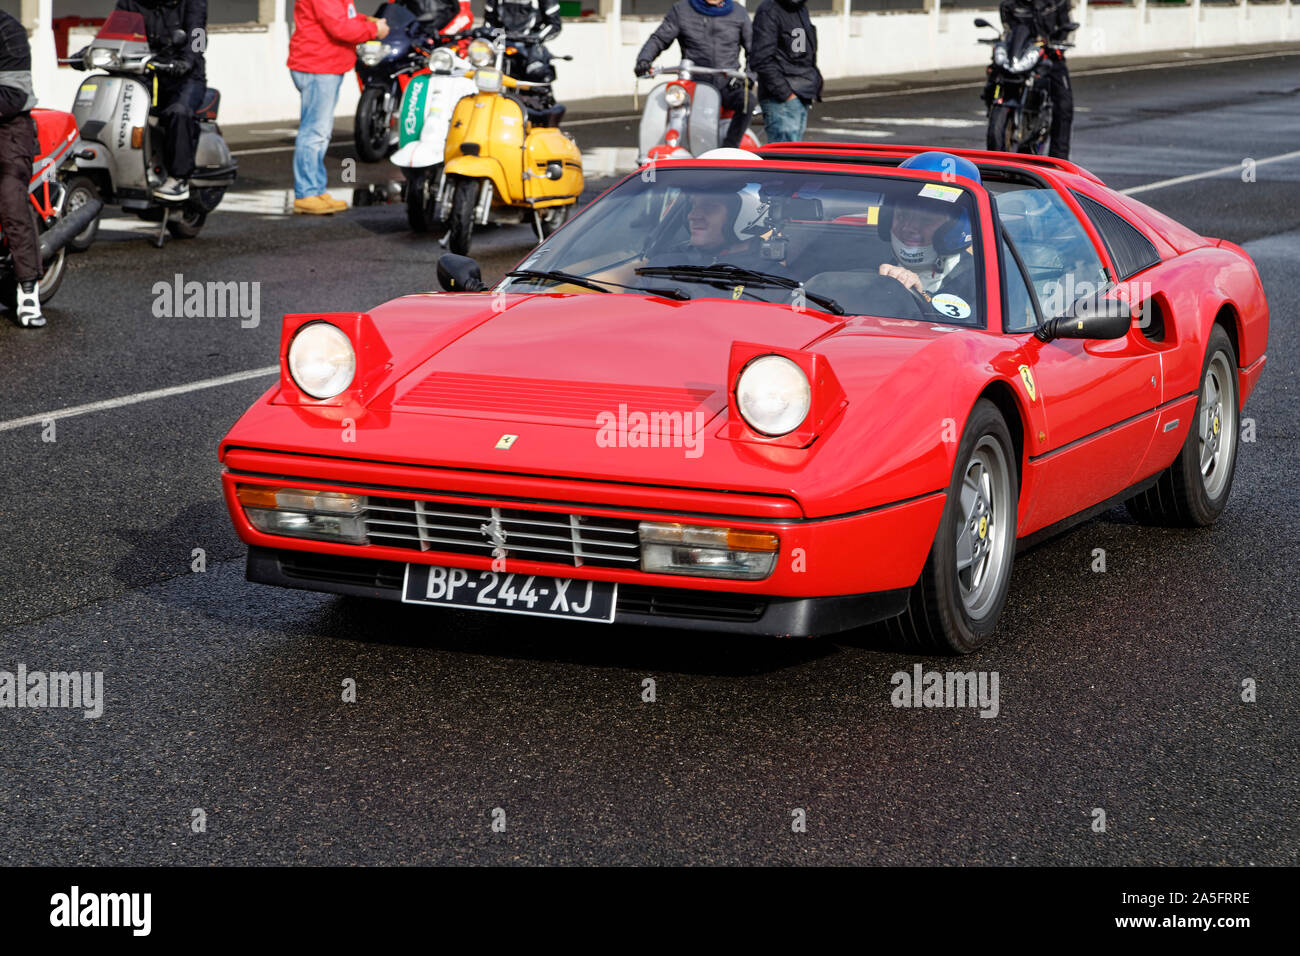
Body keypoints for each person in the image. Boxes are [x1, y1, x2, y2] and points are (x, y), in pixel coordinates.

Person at [287, 0, 388, 215]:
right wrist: (373, 29)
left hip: (323, 65)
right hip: (318, 66)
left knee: (320, 132)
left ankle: (315, 190)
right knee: (314, 132)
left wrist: (365, 20)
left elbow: (343, 17)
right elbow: (340, 27)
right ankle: (306, 193)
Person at [113, 0, 207, 203]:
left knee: (178, 111)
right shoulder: (131, 3)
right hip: (147, 71)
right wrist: (91, 50)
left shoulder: (192, 3)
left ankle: (179, 179)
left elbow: (198, 36)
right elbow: (115, 31)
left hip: (185, 75)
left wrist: (188, 60)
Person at [635, 0, 753, 150]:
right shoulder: (682, 10)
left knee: (747, 101)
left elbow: (754, 50)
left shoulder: (738, 12)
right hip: (694, 86)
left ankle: (730, 148)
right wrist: (644, 60)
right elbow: (659, 38)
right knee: (670, 109)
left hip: (727, 85)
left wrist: (749, 77)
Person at [876, 153, 979, 306]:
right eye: (902, 216)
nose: (908, 227)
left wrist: (920, 294)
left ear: (956, 227)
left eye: (926, 220)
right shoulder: (866, 259)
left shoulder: (977, 281)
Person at [0, 9, 42, 327]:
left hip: (9, 126)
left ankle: (28, 291)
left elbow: (14, 94)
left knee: (9, 193)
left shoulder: (8, 31)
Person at [992, 0, 1074, 159]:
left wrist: (1060, 42)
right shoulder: (1010, 4)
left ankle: (1058, 160)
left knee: (1064, 104)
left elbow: (1067, 28)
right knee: (995, 73)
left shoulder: (1057, 2)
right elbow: (1008, 30)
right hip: (1020, 55)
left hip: (1050, 56)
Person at [751, 0, 821, 144]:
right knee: (783, 154)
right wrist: (785, 94)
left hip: (802, 93)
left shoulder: (800, 9)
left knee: (794, 153)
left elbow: (807, 54)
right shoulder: (769, 11)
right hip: (782, 99)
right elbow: (761, 59)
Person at [484, 0, 562, 84]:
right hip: (502, 42)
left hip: (529, 45)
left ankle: (539, 90)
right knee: (483, 69)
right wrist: (486, 33)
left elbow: (554, 25)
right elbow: (489, 22)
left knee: (538, 73)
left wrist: (534, 37)